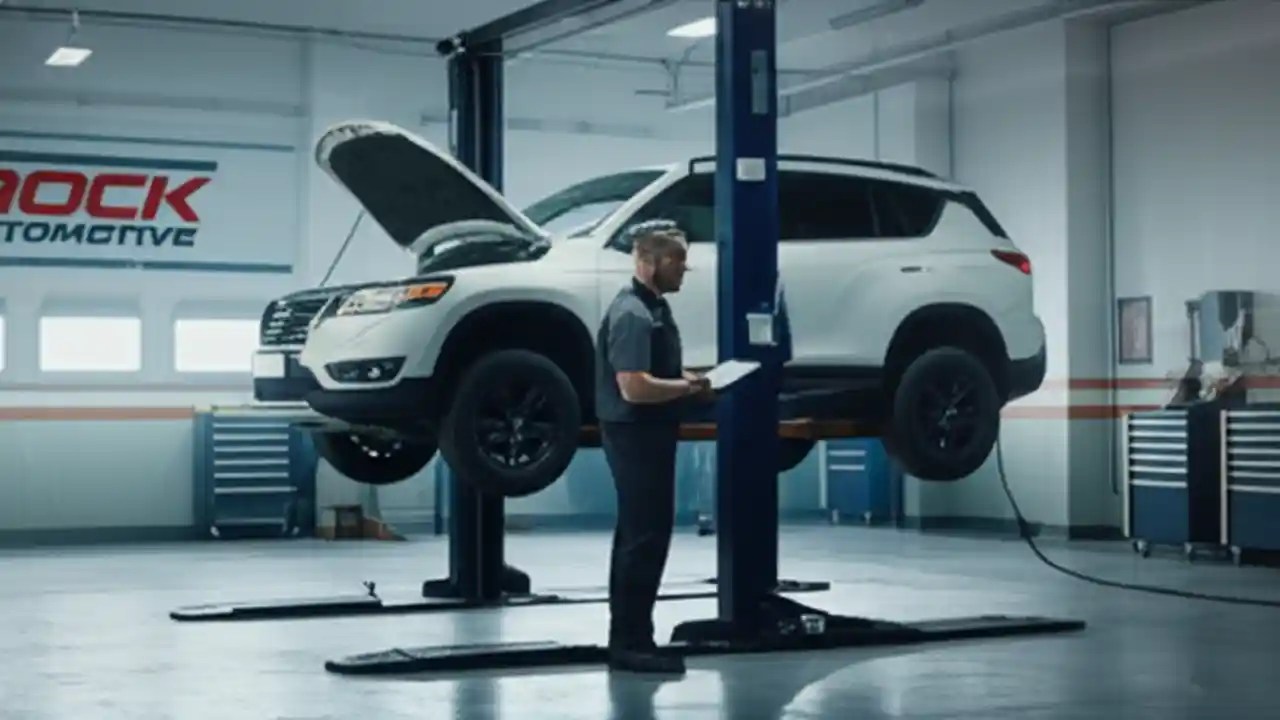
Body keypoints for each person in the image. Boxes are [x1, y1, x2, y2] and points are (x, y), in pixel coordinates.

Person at [595, 219, 712, 674]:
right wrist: (686, 390)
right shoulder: (632, 314)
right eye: (677, 260)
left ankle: (634, 637)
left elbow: (651, 374)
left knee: (643, 536)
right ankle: (630, 643)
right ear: (648, 261)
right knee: (642, 539)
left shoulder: (654, 308)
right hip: (635, 434)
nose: (685, 269)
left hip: (648, 434)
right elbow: (635, 388)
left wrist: (688, 380)